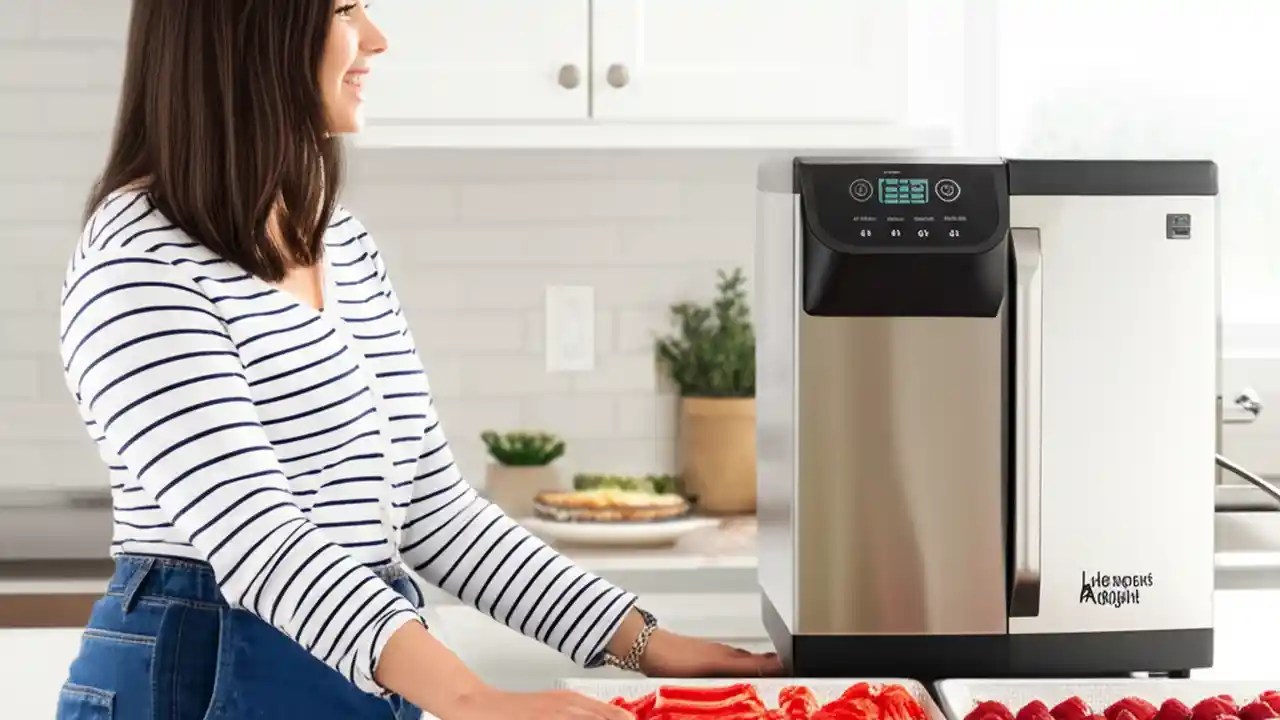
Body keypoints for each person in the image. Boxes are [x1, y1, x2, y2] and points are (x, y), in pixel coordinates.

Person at [54, 1, 782, 718]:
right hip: (195, 675)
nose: (377, 39)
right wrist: (472, 699)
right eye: (344, 11)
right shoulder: (138, 266)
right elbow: (259, 539)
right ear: (248, 31)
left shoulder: (338, 242)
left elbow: (431, 507)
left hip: (352, 663)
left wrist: (642, 642)